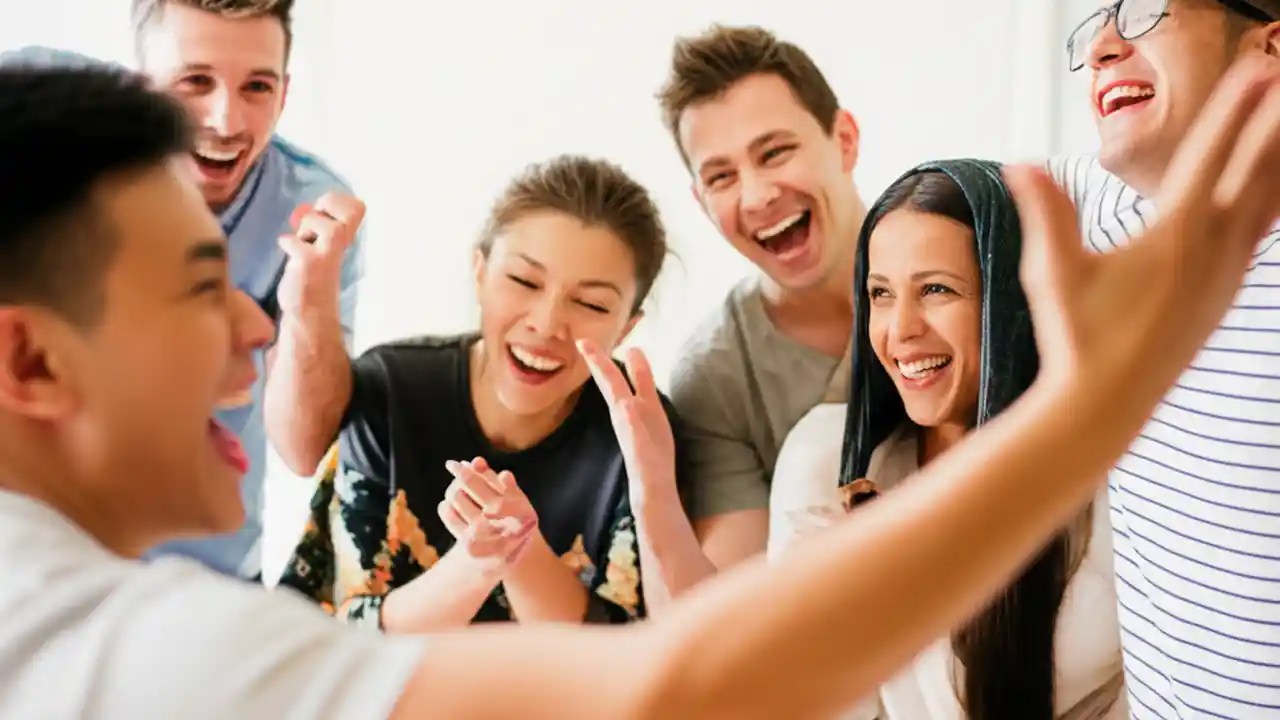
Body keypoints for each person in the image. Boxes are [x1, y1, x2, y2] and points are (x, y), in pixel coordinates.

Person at [2, 51, 1277, 720]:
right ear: (29, 359)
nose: (257, 328)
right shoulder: (126, 652)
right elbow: (683, 688)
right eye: (199, 286)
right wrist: (1083, 414)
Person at [768, 160, 1125, 719]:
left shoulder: (1115, 476)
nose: (900, 329)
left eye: (936, 289)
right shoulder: (827, 463)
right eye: (880, 293)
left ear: (1015, 301)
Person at [269, 155, 680, 630]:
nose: (546, 324)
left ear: (626, 327)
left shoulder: (639, 434)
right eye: (523, 281)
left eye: (591, 304)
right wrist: (476, 564)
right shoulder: (395, 390)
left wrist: (522, 551)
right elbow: (353, 632)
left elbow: (627, 649)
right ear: (480, 273)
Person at [1051, 2, 1280, 716]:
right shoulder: (1095, 208)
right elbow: (919, 217)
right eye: (1095, 24)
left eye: (1147, 8)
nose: (1101, 47)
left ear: (1270, 48)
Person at [627, 25, 869, 610]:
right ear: (701, 201)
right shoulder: (714, 377)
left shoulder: (974, 260)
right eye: (722, 177)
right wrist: (653, 494)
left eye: (775, 153)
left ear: (843, 140)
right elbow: (735, 609)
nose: (757, 196)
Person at [129, 0, 366, 579]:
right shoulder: (56, 180)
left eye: (256, 87)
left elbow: (302, 450)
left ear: (283, 96)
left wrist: (307, 301)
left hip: (216, 576)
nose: (225, 121)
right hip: (55, 569)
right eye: (195, 81)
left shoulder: (315, 210)